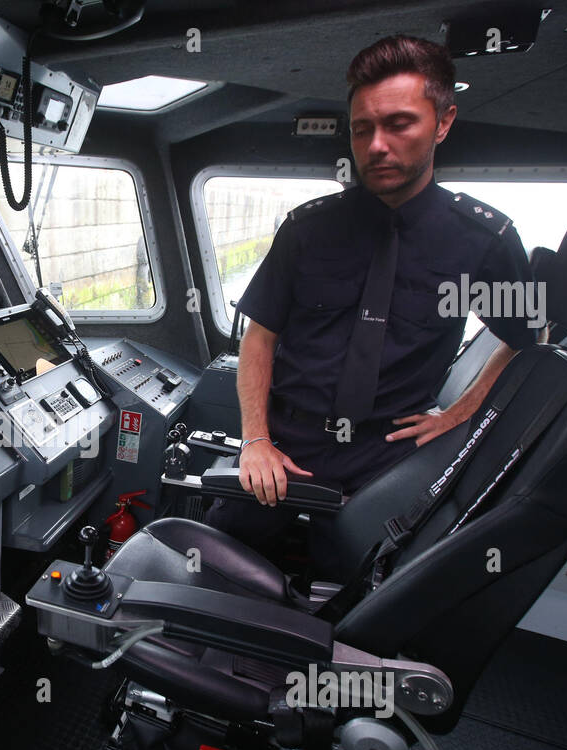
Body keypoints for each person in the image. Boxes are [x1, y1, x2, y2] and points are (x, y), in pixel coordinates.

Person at [205, 34, 537, 574]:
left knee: (360, 593)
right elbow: (259, 337)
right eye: (363, 129)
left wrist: (460, 412)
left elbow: (528, 337)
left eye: (399, 124)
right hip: (288, 440)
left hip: (390, 452)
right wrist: (255, 440)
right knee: (217, 566)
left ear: (443, 123)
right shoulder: (308, 228)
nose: (377, 145)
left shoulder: (485, 239)